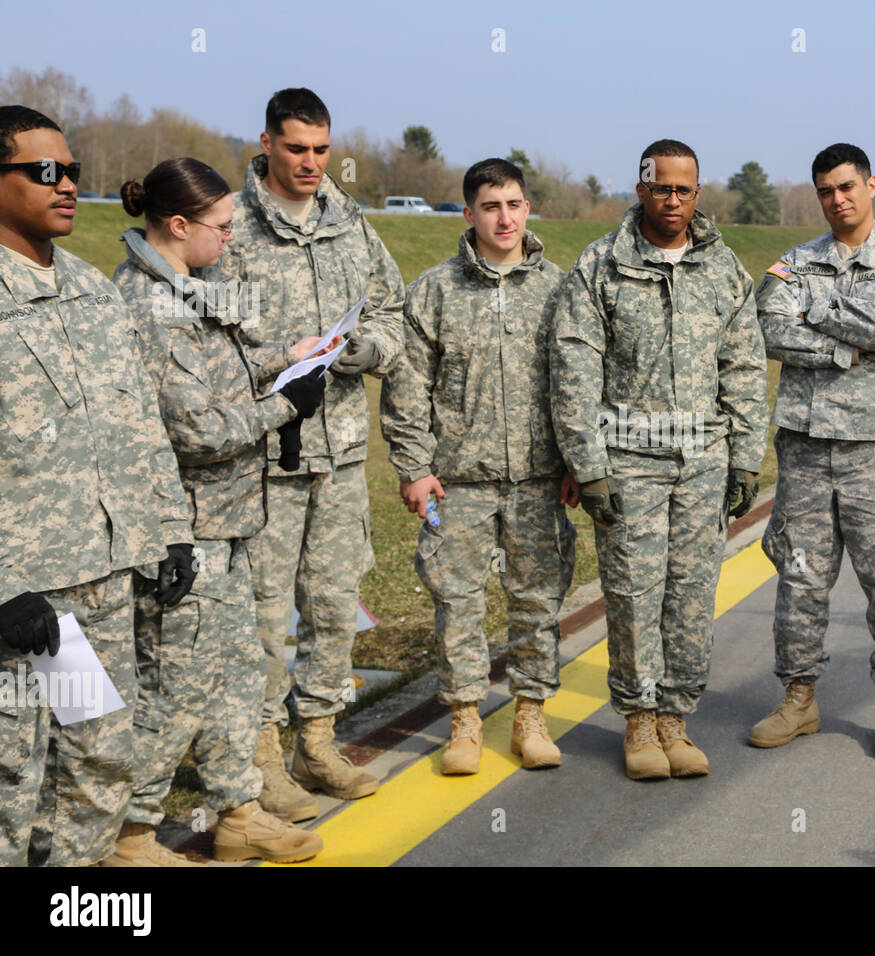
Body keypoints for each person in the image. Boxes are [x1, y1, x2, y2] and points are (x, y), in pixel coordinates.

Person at [104, 158, 332, 865]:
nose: (232, 238)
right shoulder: (147, 305)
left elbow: (225, 369)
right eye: (223, 226)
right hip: (184, 526)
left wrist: (287, 360)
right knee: (177, 683)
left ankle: (238, 810)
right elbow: (196, 432)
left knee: (237, 671)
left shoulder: (195, 287)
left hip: (230, 518)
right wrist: (282, 408)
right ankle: (130, 830)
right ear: (178, 225)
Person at [0, 106, 194, 866]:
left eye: (74, 171)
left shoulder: (91, 290)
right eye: (45, 172)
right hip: (26, 599)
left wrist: (170, 528)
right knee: (11, 781)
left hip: (101, 586)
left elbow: (140, 423)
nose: (68, 185)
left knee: (97, 765)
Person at [549, 139, 768, 780]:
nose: (673, 200)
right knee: (634, 591)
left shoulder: (723, 269)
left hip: (704, 460)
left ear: (697, 194)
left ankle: (677, 717)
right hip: (629, 461)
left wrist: (746, 459)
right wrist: (588, 466)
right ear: (641, 189)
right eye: (661, 188)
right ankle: (639, 721)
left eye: (684, 189)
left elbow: (745, 368)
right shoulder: (601, 268)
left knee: (693, 592)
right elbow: (573, 372)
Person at [220, 88, 406, 822]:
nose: (310, 163)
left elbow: (392, 309)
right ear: (265, 142)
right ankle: (262, 758)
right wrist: (277, 358)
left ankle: (317, 742)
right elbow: (209, 342)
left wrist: (368, 347)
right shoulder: (231, 229)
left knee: (331, 607)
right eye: (296, 148)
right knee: (265, 617)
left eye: (322, 149)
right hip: (265, 457)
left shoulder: (349, 223)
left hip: (342, 454)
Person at [381, 158, 577, 775]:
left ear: (528, 209)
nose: (505, 217)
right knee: (456, 599)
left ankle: (529, 715)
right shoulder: (435, 291)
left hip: (541, 480)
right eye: (491, 206)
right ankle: (464, 720)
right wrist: (414, 469)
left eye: (514, 204)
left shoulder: (559, 289)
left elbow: (579, 385)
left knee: (537, 599)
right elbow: (407, 386)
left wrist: (578, 461)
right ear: (468, 213)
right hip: (455, 482)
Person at [750, 143, 875, 761]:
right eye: (826, 191)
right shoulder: (794, 261)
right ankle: (798, 699)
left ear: (872, 185)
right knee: (799, 579)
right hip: (804, 448)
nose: (838, 199)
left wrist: (821, 304)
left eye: (848, 186)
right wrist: (840, 347)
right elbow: (770, 325)